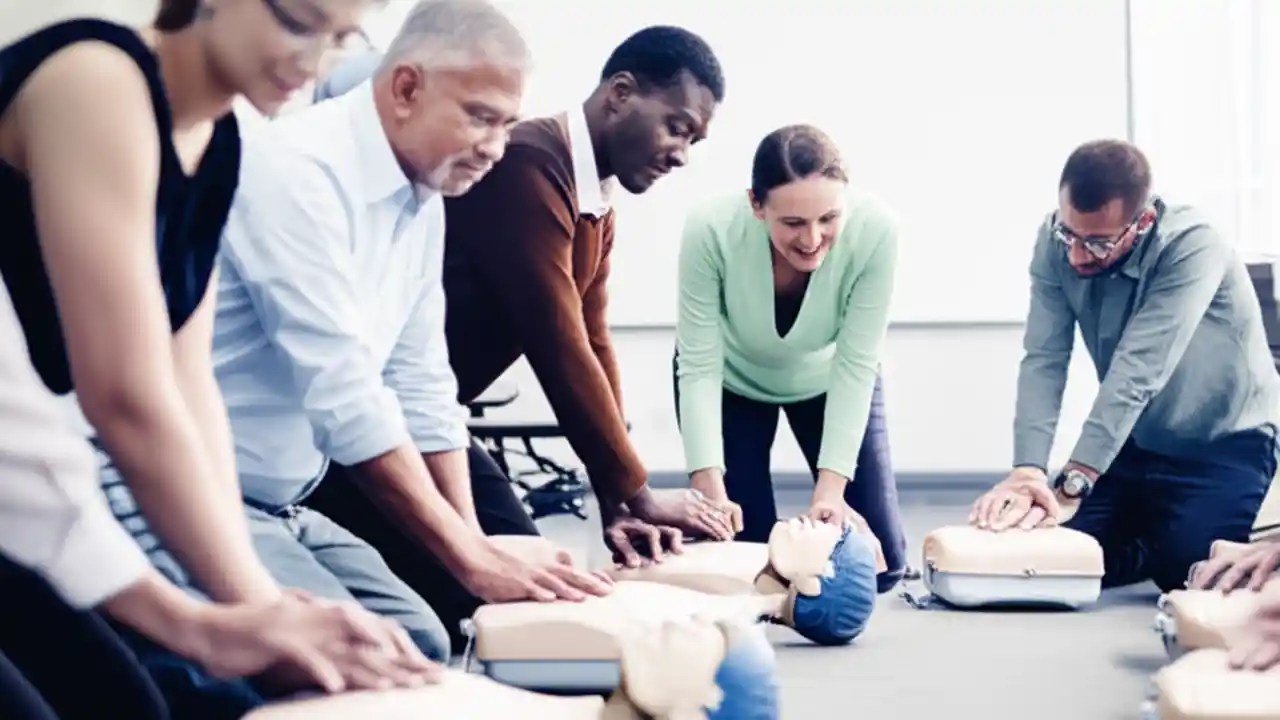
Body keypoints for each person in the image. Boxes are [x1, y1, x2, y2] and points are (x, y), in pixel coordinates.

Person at [0, 1, 435, 718]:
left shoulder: (221, 137)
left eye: (341, 39)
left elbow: (185, 380)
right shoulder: (97, 78)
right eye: (299, 22)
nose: (314, 62)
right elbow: (127, 396)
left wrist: (254, 610)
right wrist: (251, 609)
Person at [207, 0, 613, 664]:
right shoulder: (297, 171)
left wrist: (476, 541)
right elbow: (347, 398)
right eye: (481, 117)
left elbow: (420, 383)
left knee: (422, 637)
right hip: (212, 502)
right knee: (365, 659)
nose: (495, 148)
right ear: (406, 88)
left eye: (507, 124)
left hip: (287, 502)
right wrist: (469, 561)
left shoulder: (423, 196)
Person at [411, 25, 733, 563]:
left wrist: (619, 498)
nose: (681, 155)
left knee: (529, 571)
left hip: (432, 418)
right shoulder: (527, 164)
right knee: (495, 587)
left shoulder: (595, 202)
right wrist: (639, 491)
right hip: (386, 423)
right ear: (621, 93)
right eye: (677, 128)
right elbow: (558, 344)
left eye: (693, 142)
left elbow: (594, 340)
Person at [968, 139, 1280, 593]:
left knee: (1191, 571)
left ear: (1143, 222)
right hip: (1138, 443)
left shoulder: (1194, 244)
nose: (1075, 256)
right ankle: (1152, 530)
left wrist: (1073, 483)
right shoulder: (1055, 241)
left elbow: (1138, 372)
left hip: (1224, 443)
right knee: (1056, 554)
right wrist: (1028, 472)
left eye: (1096, 244)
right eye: (1068, 235)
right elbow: (1044, 358)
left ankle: (1178, 536)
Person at [673, 124, 907, 592]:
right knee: (751, 563)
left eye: (828, 219)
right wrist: (708, 485)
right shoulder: (710, 228)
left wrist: (831, 492)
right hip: (730, 385)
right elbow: (698, 365)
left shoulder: (878, 229)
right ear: (756, 206)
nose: (812, 238)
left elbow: (857, 364)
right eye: (793, 223)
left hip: (826, 381)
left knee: (882, 567)